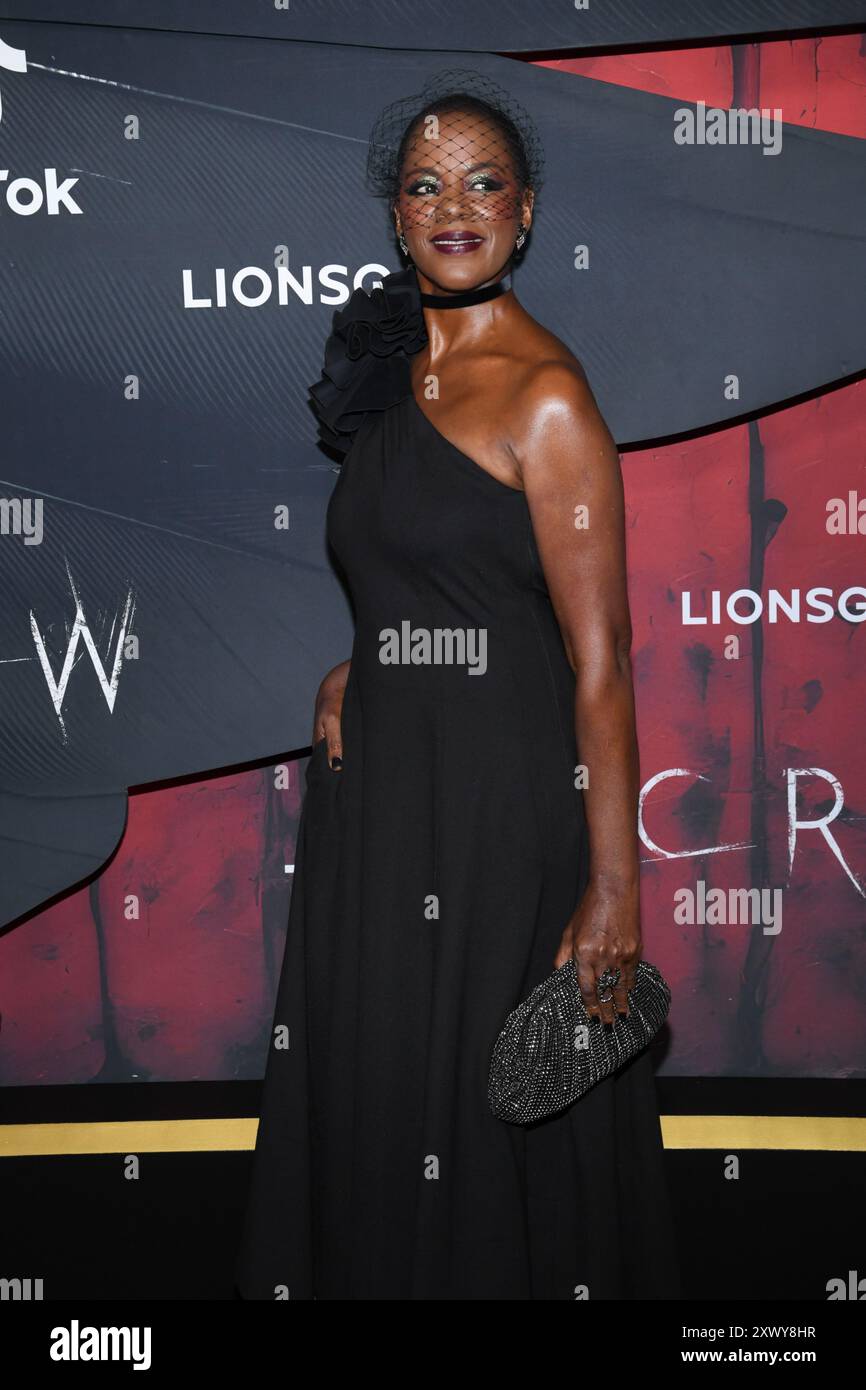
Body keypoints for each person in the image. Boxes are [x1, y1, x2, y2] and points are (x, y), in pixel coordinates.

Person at [235, 69, 681, 1300]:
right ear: (394, 217)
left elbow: (599, 656)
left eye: (482, 181)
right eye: (425, 184)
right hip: (380, 797)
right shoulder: (390, 369)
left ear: (523, 212)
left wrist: (612, 888)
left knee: (489, 1096)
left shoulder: (546, 398)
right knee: (385, 1072)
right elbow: (426, 572)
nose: (453, 205)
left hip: (498, 804)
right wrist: (367, 658)